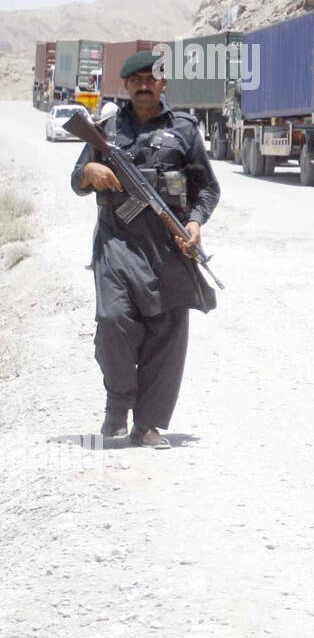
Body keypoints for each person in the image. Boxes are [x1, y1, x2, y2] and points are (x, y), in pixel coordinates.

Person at [71, 51, 220, 448]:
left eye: (150, 78)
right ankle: (118, 405)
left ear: (163, 84)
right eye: (135, 78)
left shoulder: (185, 129)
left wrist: (195, 222)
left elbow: (207, 187)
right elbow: (76, 178)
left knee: (166, 332)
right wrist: (89, 171)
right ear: (125, 85)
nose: (143, 84)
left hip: (168, 246)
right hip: (116, 241)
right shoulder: (105, 128)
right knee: (113, 319)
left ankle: (148, 424)